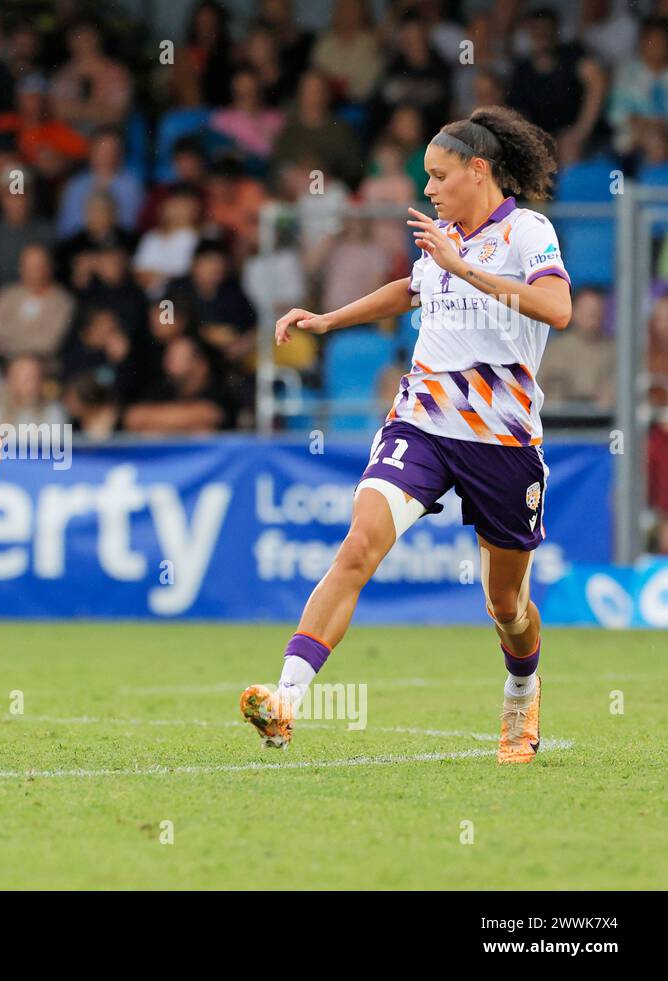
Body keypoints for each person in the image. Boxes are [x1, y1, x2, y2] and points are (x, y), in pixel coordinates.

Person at [241, 106, 571, 765]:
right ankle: (285, 699)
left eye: (439, 175)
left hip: (502, 441)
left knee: (506, 605)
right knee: (358, 546)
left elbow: (557, 308)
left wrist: (463, 266)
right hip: (421, 422)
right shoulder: (441, 237)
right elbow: (411, 289)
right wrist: (329, 320)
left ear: (478, 171)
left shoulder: (528, 232)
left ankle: (522, 689)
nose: (428, 188)